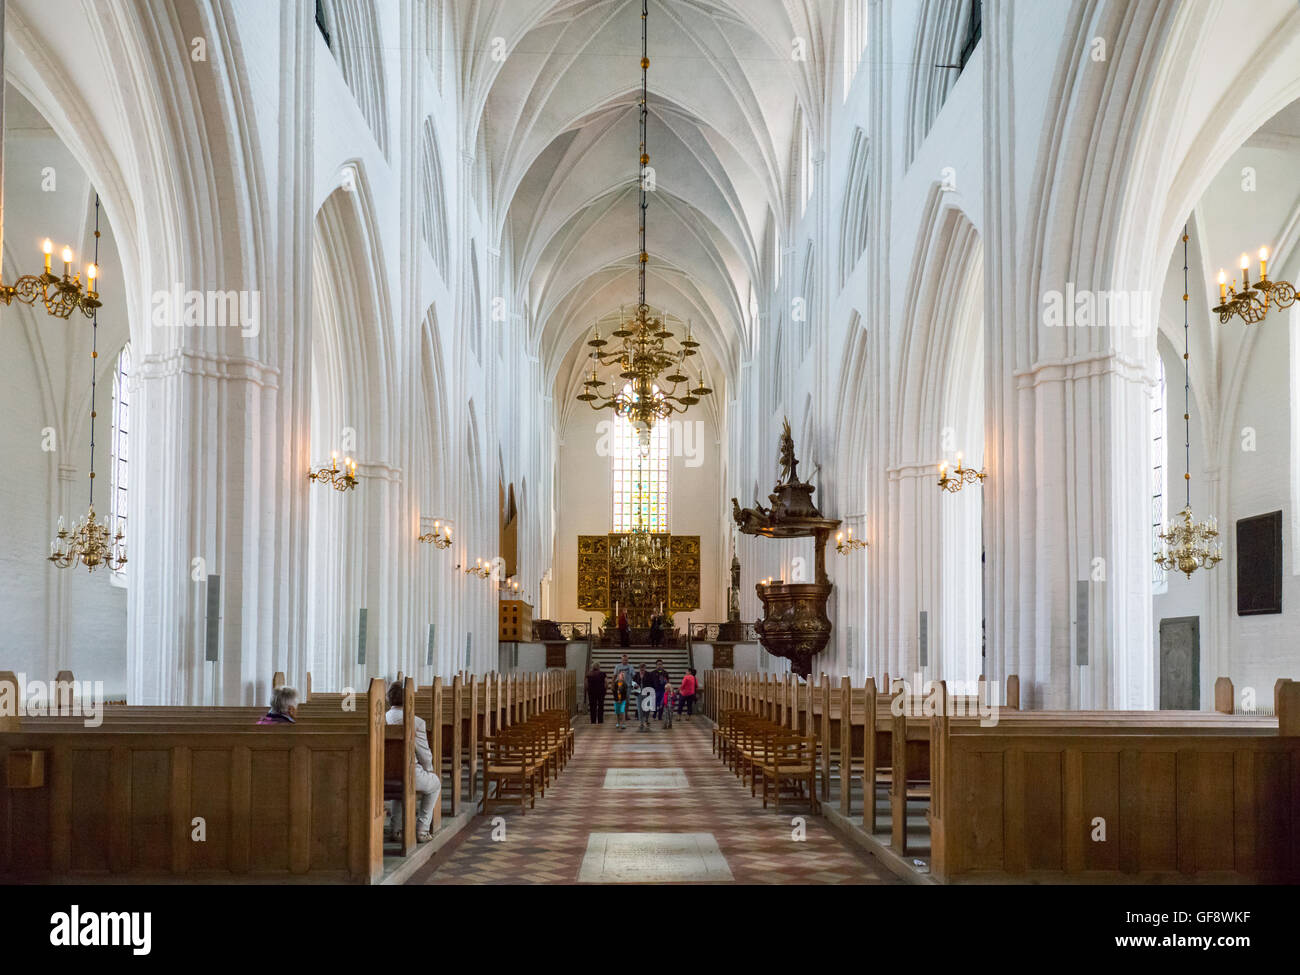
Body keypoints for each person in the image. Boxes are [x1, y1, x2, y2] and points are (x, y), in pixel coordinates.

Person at [385, 681, 441, 844]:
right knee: (435, 783)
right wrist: (429, 769)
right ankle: (421, 829)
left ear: (389, 699)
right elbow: (424, 754)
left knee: (398, 788)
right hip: (410, 773)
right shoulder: (416, 722)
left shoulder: (381, 719)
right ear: (409, 700)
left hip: (383, 775)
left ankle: (396, 829)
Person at [636, 663, 653, 732]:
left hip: (647, 693)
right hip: (639, 693)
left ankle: (646, 719)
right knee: (639, 708)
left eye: (643, 668)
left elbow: (652, 683)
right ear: (639, 668)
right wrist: (635, 686)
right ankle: (641, 722)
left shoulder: (649, 674)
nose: (642, 669)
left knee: (647, 708)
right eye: (641, 668)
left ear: (645, 668)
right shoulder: (636, 675)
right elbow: (633, 683)